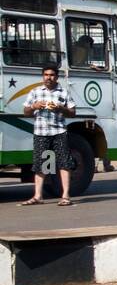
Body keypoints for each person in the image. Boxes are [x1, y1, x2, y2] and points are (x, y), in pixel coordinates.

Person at [20, 65, 76, 206]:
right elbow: (26, 112)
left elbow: (72, 112)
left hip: (59, 132)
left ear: (56, 77)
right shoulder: (35, 92)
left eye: (51, 75)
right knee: (43, 164)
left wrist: (60, 108)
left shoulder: (63, 92)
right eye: (45, 75)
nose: (48, 78)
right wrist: (34, 106)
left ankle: (65, 196)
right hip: (41, 132)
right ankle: (38, 196)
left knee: (64, 163)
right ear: (42, 76)